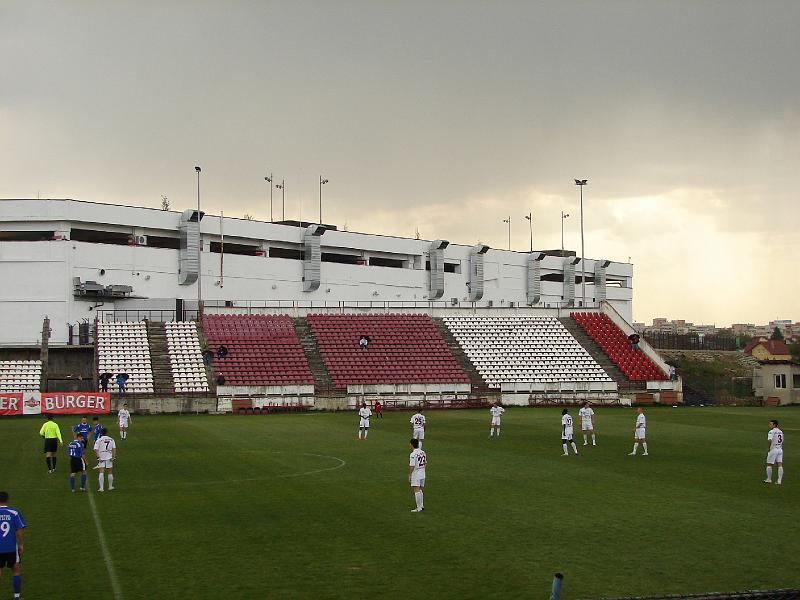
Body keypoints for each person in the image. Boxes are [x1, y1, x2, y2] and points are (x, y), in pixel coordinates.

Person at [0, 491, 25, 600]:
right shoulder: (14, 512)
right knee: (16, 570)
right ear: (7, 499)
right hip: (11, 548)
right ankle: (16, 597)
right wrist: (21, 545)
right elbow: (19, 530)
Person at [93, 428, 117, 492]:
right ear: (107, 432)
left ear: (101, 433)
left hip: (101, 457)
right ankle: (110, 486)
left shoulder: (99, 440)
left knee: (101, 472)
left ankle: (101, 488)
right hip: (109, 456)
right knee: (110, 472)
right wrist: (113, 457)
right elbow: (114, 448)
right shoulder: (111, 439)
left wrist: (98, 457)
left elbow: (95, 449)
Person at [408, 439, 427, 513]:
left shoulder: (413, 454)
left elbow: (412, 466)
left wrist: (409, 475)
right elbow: (425, 462)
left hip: (416, 474)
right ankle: (421, 505)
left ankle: (418, 508)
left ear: (412, 444)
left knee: (416, 490)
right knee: (420, 489)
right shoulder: (422, 452)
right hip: (422, 473)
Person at [764, 419, 784, 485]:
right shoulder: (780, 431)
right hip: (780, 449)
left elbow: (770, 440)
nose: (769, 425)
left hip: (774, 449)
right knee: (780, 464)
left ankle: (769, 479)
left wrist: (769, 448)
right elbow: (782, 441)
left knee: (769, 464)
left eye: (770, 424)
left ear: (774, 425)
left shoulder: (771, 431)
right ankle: (779, 480)